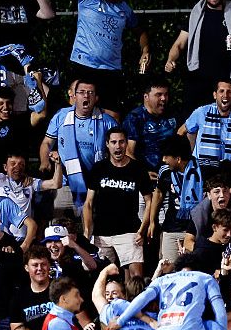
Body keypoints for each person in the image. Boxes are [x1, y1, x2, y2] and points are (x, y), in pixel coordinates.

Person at [69, 0, 149, 115]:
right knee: (79, 112)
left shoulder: (124, 8)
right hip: (84, 65)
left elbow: (139, 31)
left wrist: (145, 49)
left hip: (110, 70)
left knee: (113, 116)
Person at [40, 78, 116, 213]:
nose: (86, 95)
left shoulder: (107, 121)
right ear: (74, 96)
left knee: (91, 229)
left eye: (90, 92)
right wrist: (45, 162)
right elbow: (47, 143)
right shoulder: (61, 116)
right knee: (60, 227)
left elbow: (119, 149)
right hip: (65, 183)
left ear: (96, 98)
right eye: (82, 92)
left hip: (96, 184)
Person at [83, 127, 150, 278]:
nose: (118, 146)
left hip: (130, 231)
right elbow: (88, 203)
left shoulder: (138, 168)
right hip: (102, 233)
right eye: (113, 142)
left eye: (121, 142)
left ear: (126, 144)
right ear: (107, 144)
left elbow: (149, 201)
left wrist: (143, 229)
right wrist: (87, 231)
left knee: (135, 278)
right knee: (101, 277)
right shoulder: (99, 168)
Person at [181, 78, 231, 173]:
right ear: (215, 95)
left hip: (228, 172)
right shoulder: (201, 112)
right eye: (221, 91)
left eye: (229, 92)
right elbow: (181, 131)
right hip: (202, 170)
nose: (225, 95)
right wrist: (185, 160)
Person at [123, 77, 179, 174]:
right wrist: (142, 173)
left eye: (166, 94)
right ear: (146, 97)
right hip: (145, 173)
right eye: (159, 95)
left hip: (171, 173)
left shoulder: (173, 115)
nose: (164, 98)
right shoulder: (135, 118)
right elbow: (128, 151)